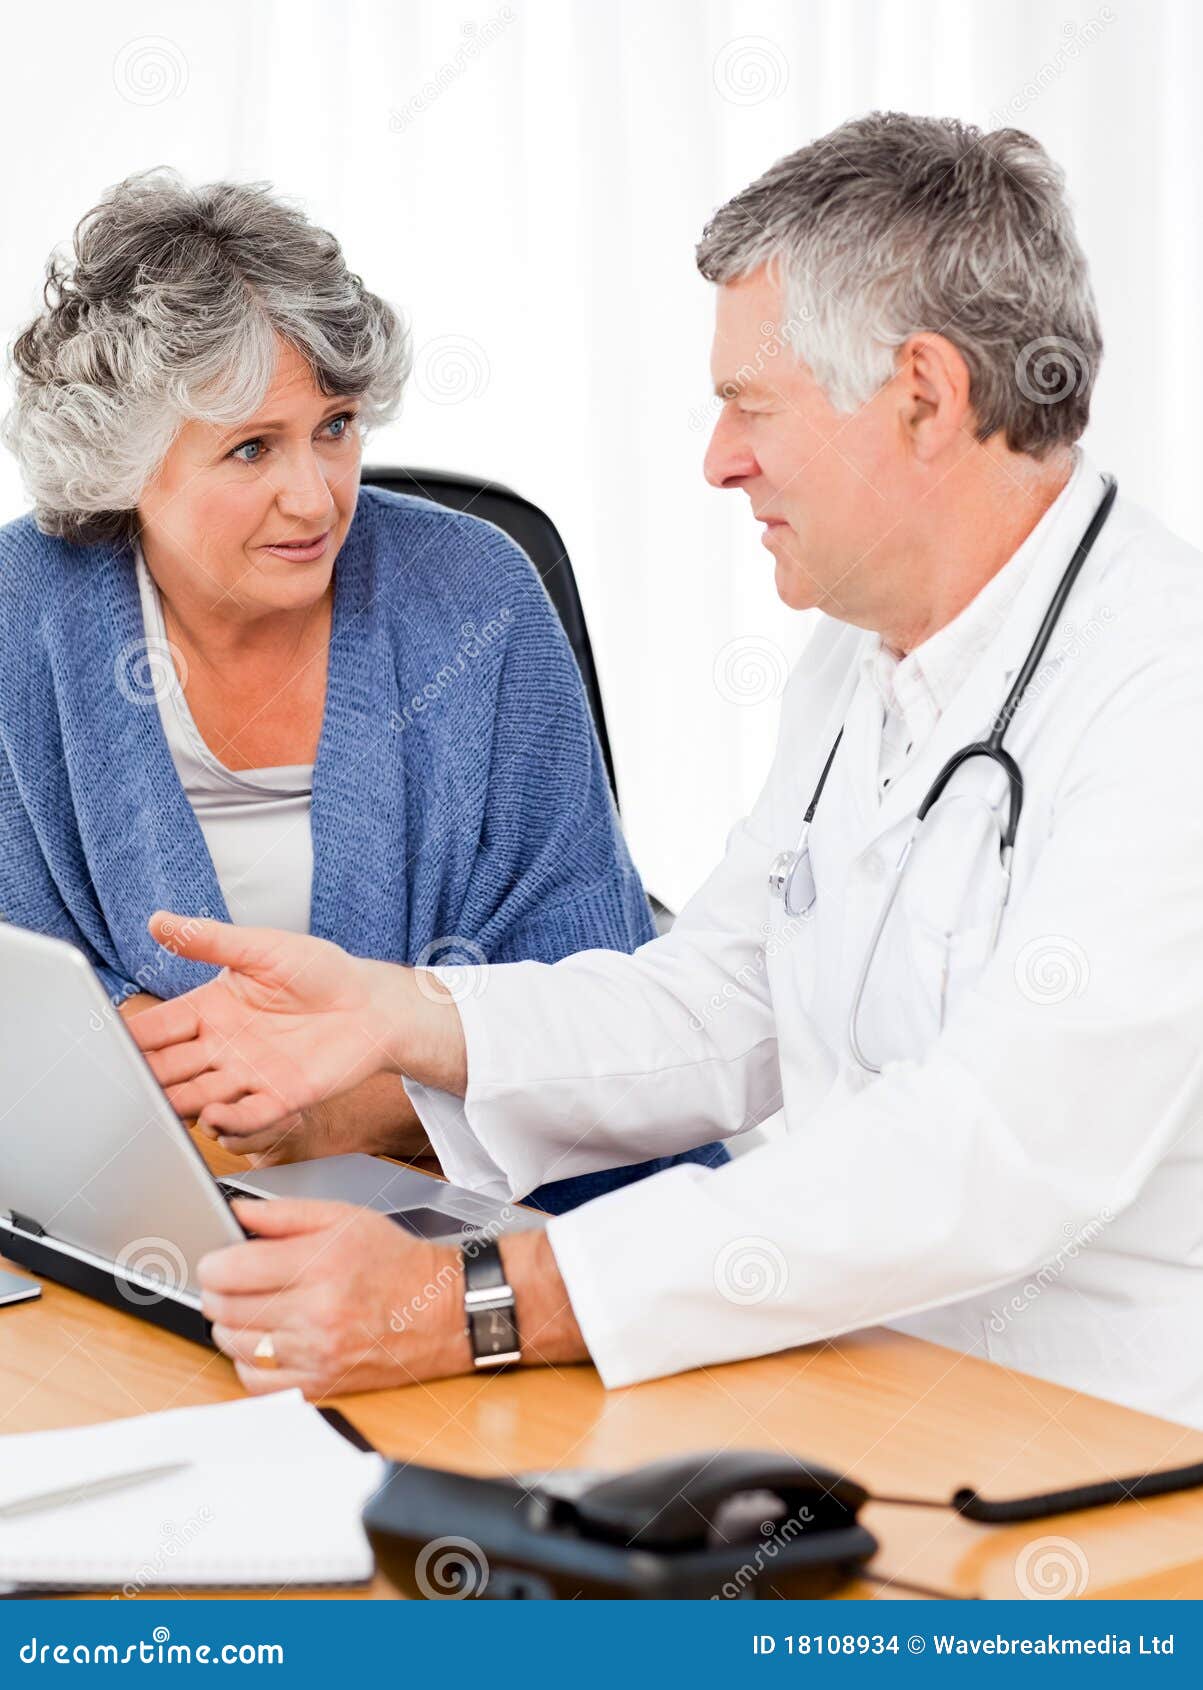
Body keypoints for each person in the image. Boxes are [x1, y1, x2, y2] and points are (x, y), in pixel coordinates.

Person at [131, 114, 1203, 1427]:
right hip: (854, 1391)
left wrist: (468, 1302)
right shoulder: (857, 658)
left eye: (749, 405)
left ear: (922, 393)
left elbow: (985, 1152)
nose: (716, 460)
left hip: (1107, 1453)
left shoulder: (1163, 690)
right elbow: (718, 1004)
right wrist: (402, 1014)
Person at [0, 167, 725, 1214]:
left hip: (485, 1204)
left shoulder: (475, 594)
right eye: (251, 448)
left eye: (335, 426)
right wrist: (153, 1096)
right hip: (116, 1203)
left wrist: (343, 1105)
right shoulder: (26, 609)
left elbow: (598, 1001)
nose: (315, 497)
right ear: (121, 466)